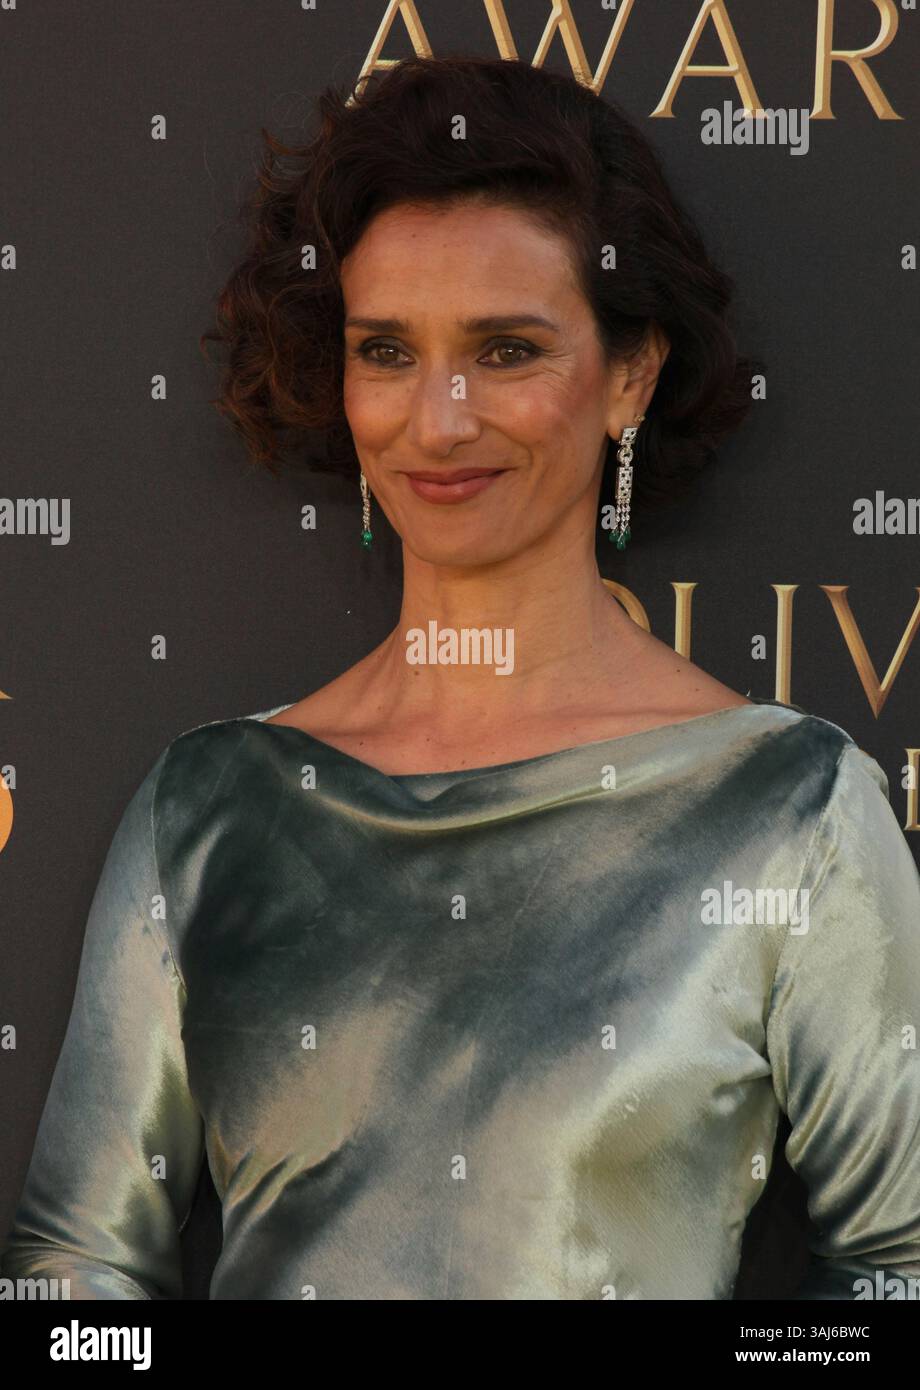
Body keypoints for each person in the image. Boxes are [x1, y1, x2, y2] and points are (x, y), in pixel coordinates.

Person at [3, 56, 919, 1301]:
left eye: (504, 350)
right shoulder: (209, 809)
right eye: (387, 349)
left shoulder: (789, 814)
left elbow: (898, 1268)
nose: (436, 420)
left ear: (630, 377)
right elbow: (70, 1276)